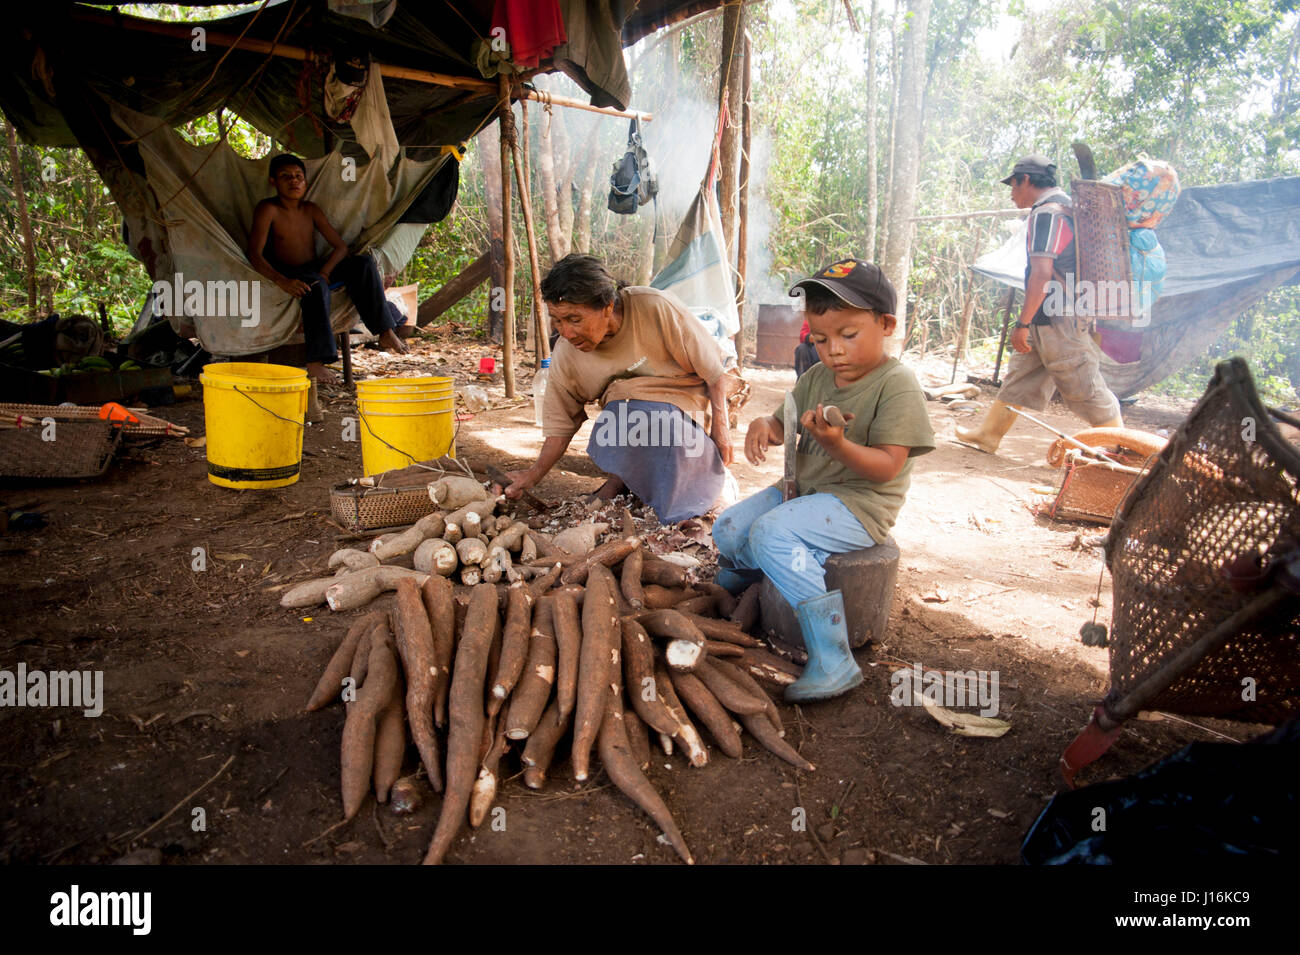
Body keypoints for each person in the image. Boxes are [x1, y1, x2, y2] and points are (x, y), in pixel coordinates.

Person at [714, 258, 935, 702]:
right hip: (808, 491)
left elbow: (887, 467)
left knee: (773, 533)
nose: (832, 349)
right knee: (729, 528)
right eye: (820, 338)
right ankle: (749, 580)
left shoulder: (897, 385)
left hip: (860, 505)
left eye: (848, 335)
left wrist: (837, 445)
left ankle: (832, 658)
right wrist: (765, 426)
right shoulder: (815, 377)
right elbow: (784, 422)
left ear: (886, 324)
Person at [498, 254, 735, 524]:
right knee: (624, 415)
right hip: (625, 418)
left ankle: (689, 500)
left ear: (608, 307)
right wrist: (532, 475)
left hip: (684, 405)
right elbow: (560, 427)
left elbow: (715, 372)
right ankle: (619, 482)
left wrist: (721, 430)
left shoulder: (655, 306)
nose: (566, 331)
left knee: (661, 432)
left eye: (574, 319)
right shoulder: (566, 353)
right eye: (557, 320)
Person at [955, 155, 1123, 453]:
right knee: (1022, 374)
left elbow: (1042, 273)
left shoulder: (1047, 214)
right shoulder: (1066, 208)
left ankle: (1124, 445)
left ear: (1027, 181)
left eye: (1013, 184)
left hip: (1060, 316)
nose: (1011, 192)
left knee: (1082, 383)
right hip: (1052, 312)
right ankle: (988, 434)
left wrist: (1022, 323)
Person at [247, 153, 407, 382]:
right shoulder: (268, 209)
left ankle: (385, 331)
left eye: (298, 177)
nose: (294, 181)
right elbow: (254, 254)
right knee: (315, 285)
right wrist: (282, 281)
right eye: (286, 177)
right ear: (273, 181)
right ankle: (315, 361)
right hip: (287, 271)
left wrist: (325, 271)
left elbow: (340, 247)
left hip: (314, 269)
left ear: (306, 182)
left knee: (362, 263)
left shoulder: (310, 209)